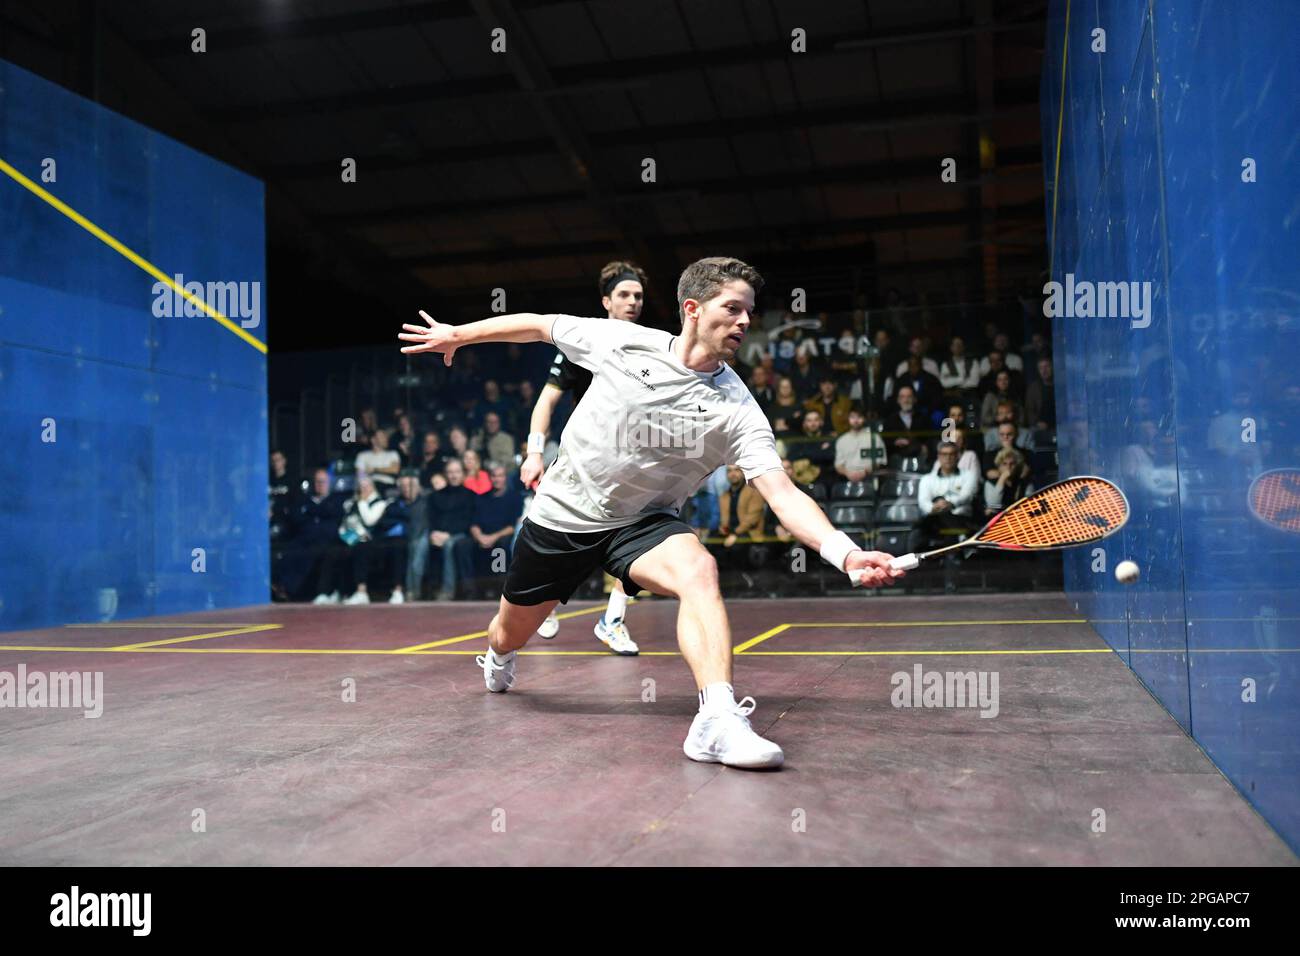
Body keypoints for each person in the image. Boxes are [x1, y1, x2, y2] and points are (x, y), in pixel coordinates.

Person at [399, 256, 906, 769]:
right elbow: (538, 325)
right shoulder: (622, 342)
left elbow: (782, 493)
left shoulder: (737, 407)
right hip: (561, 516)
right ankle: (500, 658)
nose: (745, 322)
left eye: (749, 312)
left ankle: (717, 719)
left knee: (699, 571)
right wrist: (459, 335)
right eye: (732, 309)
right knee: (506, 633)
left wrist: (844, 553)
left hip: (643, 523)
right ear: (692, 309)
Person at [518, 260, 648, 654]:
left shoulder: (650, 343)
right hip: (582, 459)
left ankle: (613, 621)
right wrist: (534, 454)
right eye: (624, 295)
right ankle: (544, 603)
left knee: (644, 537)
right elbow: (547, 401)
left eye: (639, 296)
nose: (632, 302)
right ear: (607, 301)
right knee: (558, 536)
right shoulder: (582, 341)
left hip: (631, 459)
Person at [909, 442, 979, 554]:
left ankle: (952, 557)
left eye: (952, 454)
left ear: (958, 456)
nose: (948, 458)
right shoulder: (927, 479)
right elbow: (923, 501)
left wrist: (949, 504)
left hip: (960, 518)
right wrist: (934, 508)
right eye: (944, 454)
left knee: (945, 519)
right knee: (918, 529)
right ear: (939, 457)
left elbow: (967, 496)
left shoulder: (968, 475)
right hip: (934, 519)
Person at [427, 459, 477, 600]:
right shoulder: (435, 495)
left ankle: (447, 591)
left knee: (449, 544)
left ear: (462, 474)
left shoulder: (470, 495)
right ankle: (415, 591)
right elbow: (431, 518)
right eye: (450, 472)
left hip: (461, 534)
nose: (453, 476)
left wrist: (447, 534)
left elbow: (468, 521)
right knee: (420, 544)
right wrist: (433, 533)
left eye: (457, 472)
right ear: (445, 475)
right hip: (437, 534)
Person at [834, 405, 886, 482]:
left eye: (859, 417)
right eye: (852, 417)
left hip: (869, 477)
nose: (856, 420)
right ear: (848, 419)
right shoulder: (842, 440)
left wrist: (864, 472)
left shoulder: (874, 438)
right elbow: (838, 465)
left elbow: (879, 462)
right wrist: (848, 473)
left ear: (864, 418)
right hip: (847, 478)